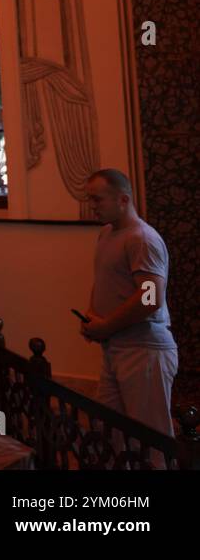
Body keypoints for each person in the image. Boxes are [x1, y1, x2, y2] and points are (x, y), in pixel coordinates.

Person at [80, 168, 177, 437]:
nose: (92, 207)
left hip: (144, 350)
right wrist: (92, 316)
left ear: (123, 200)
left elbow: (150, 298)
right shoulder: (107, 234)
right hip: (117, 348)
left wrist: (107, 325)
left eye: (97, 200)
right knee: (111, 435)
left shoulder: (142, 239)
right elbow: (104, 280)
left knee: (150, 439)